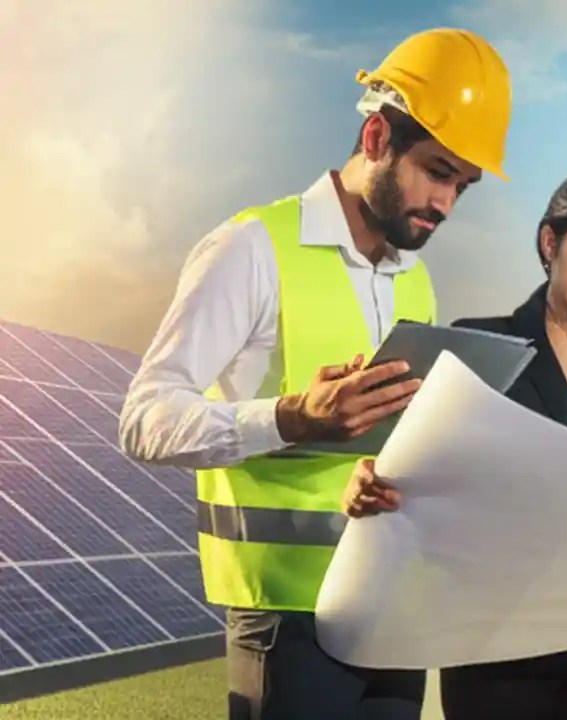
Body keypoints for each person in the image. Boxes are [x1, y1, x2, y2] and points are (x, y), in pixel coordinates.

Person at [116, 27, 513, 720]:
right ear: (375, 140)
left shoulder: (414, 278)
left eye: (464, 186)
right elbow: (144, 419)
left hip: (393, 603)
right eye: (438, 172)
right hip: (286, 619)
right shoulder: (250, 248)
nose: (446, 204)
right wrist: (289, 416)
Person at [341, 161, 567, 720]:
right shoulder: (481, 346)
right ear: (551, 242)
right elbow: (412, 474)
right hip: (499, 658)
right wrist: (370, 485)